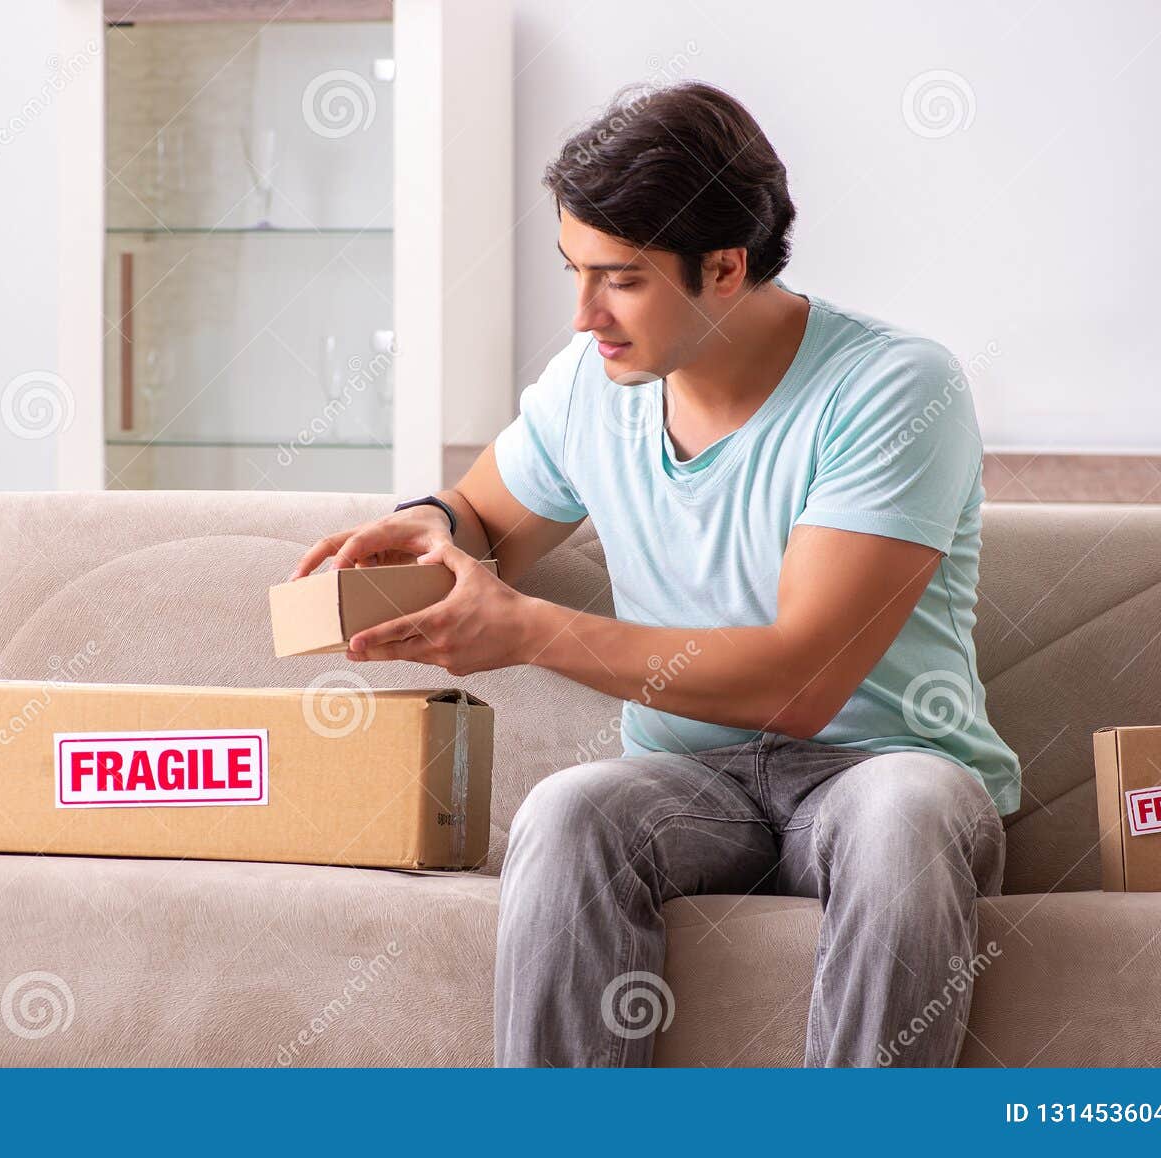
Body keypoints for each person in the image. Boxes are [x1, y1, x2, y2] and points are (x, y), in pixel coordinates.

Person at [288, 80, 1020, 1067]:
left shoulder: (893, 387)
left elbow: (799, 684)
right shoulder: (591, 384)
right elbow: (481, 519)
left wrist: (529, 631)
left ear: (723, 267)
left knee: (903, 814)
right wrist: (421, 529)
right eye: (573, 271)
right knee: (567, 811)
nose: (585, 314)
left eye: (620, 279)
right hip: (691, 785)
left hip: (874, 768)